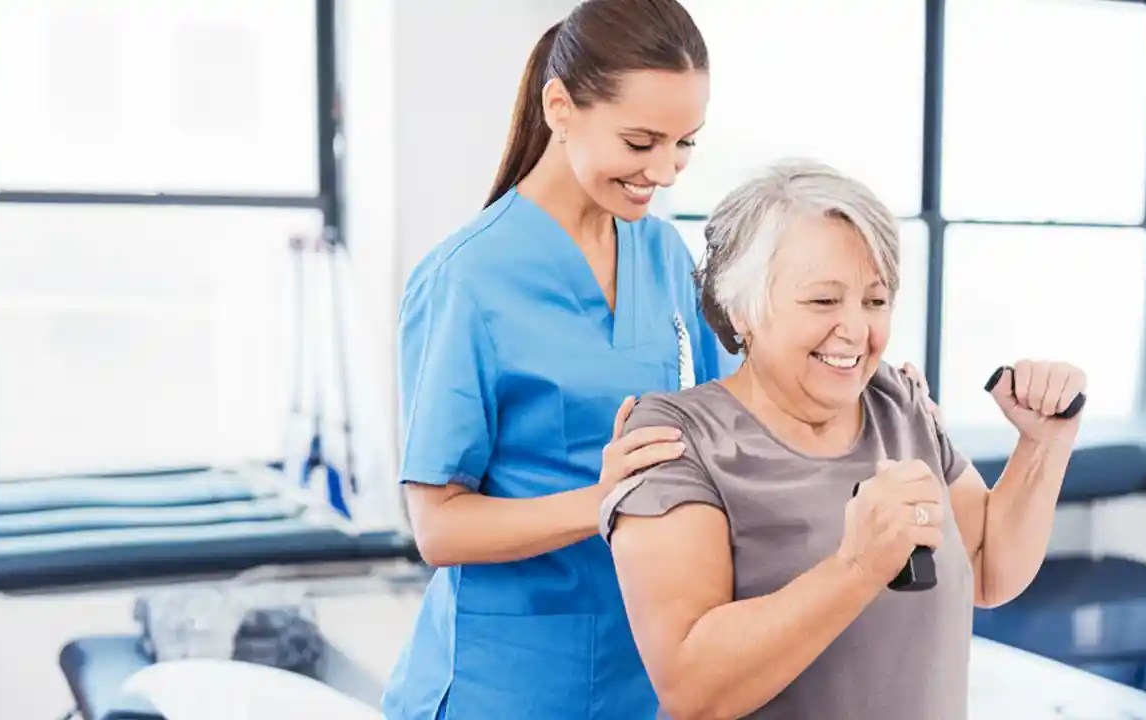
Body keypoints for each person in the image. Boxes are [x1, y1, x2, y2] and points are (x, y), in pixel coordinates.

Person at [381, 2, 934, 717]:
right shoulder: (467, 278)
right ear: (561, 106)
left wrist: (869, 395)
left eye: (684, 145)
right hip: (510, 684)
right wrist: (602, 501)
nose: (663, 171)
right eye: (641, 141)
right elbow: (438, 528)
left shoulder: (663, 253)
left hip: (649, 674)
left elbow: (738, 409)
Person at [599, 159, 1087, 720]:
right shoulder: (678, 440)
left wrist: (1044, 445)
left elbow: (988, 567)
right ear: (743, 308)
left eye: (875, 301)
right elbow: (692, 689)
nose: (856, 329)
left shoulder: (897, 404)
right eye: (823, 301)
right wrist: (856, 567)